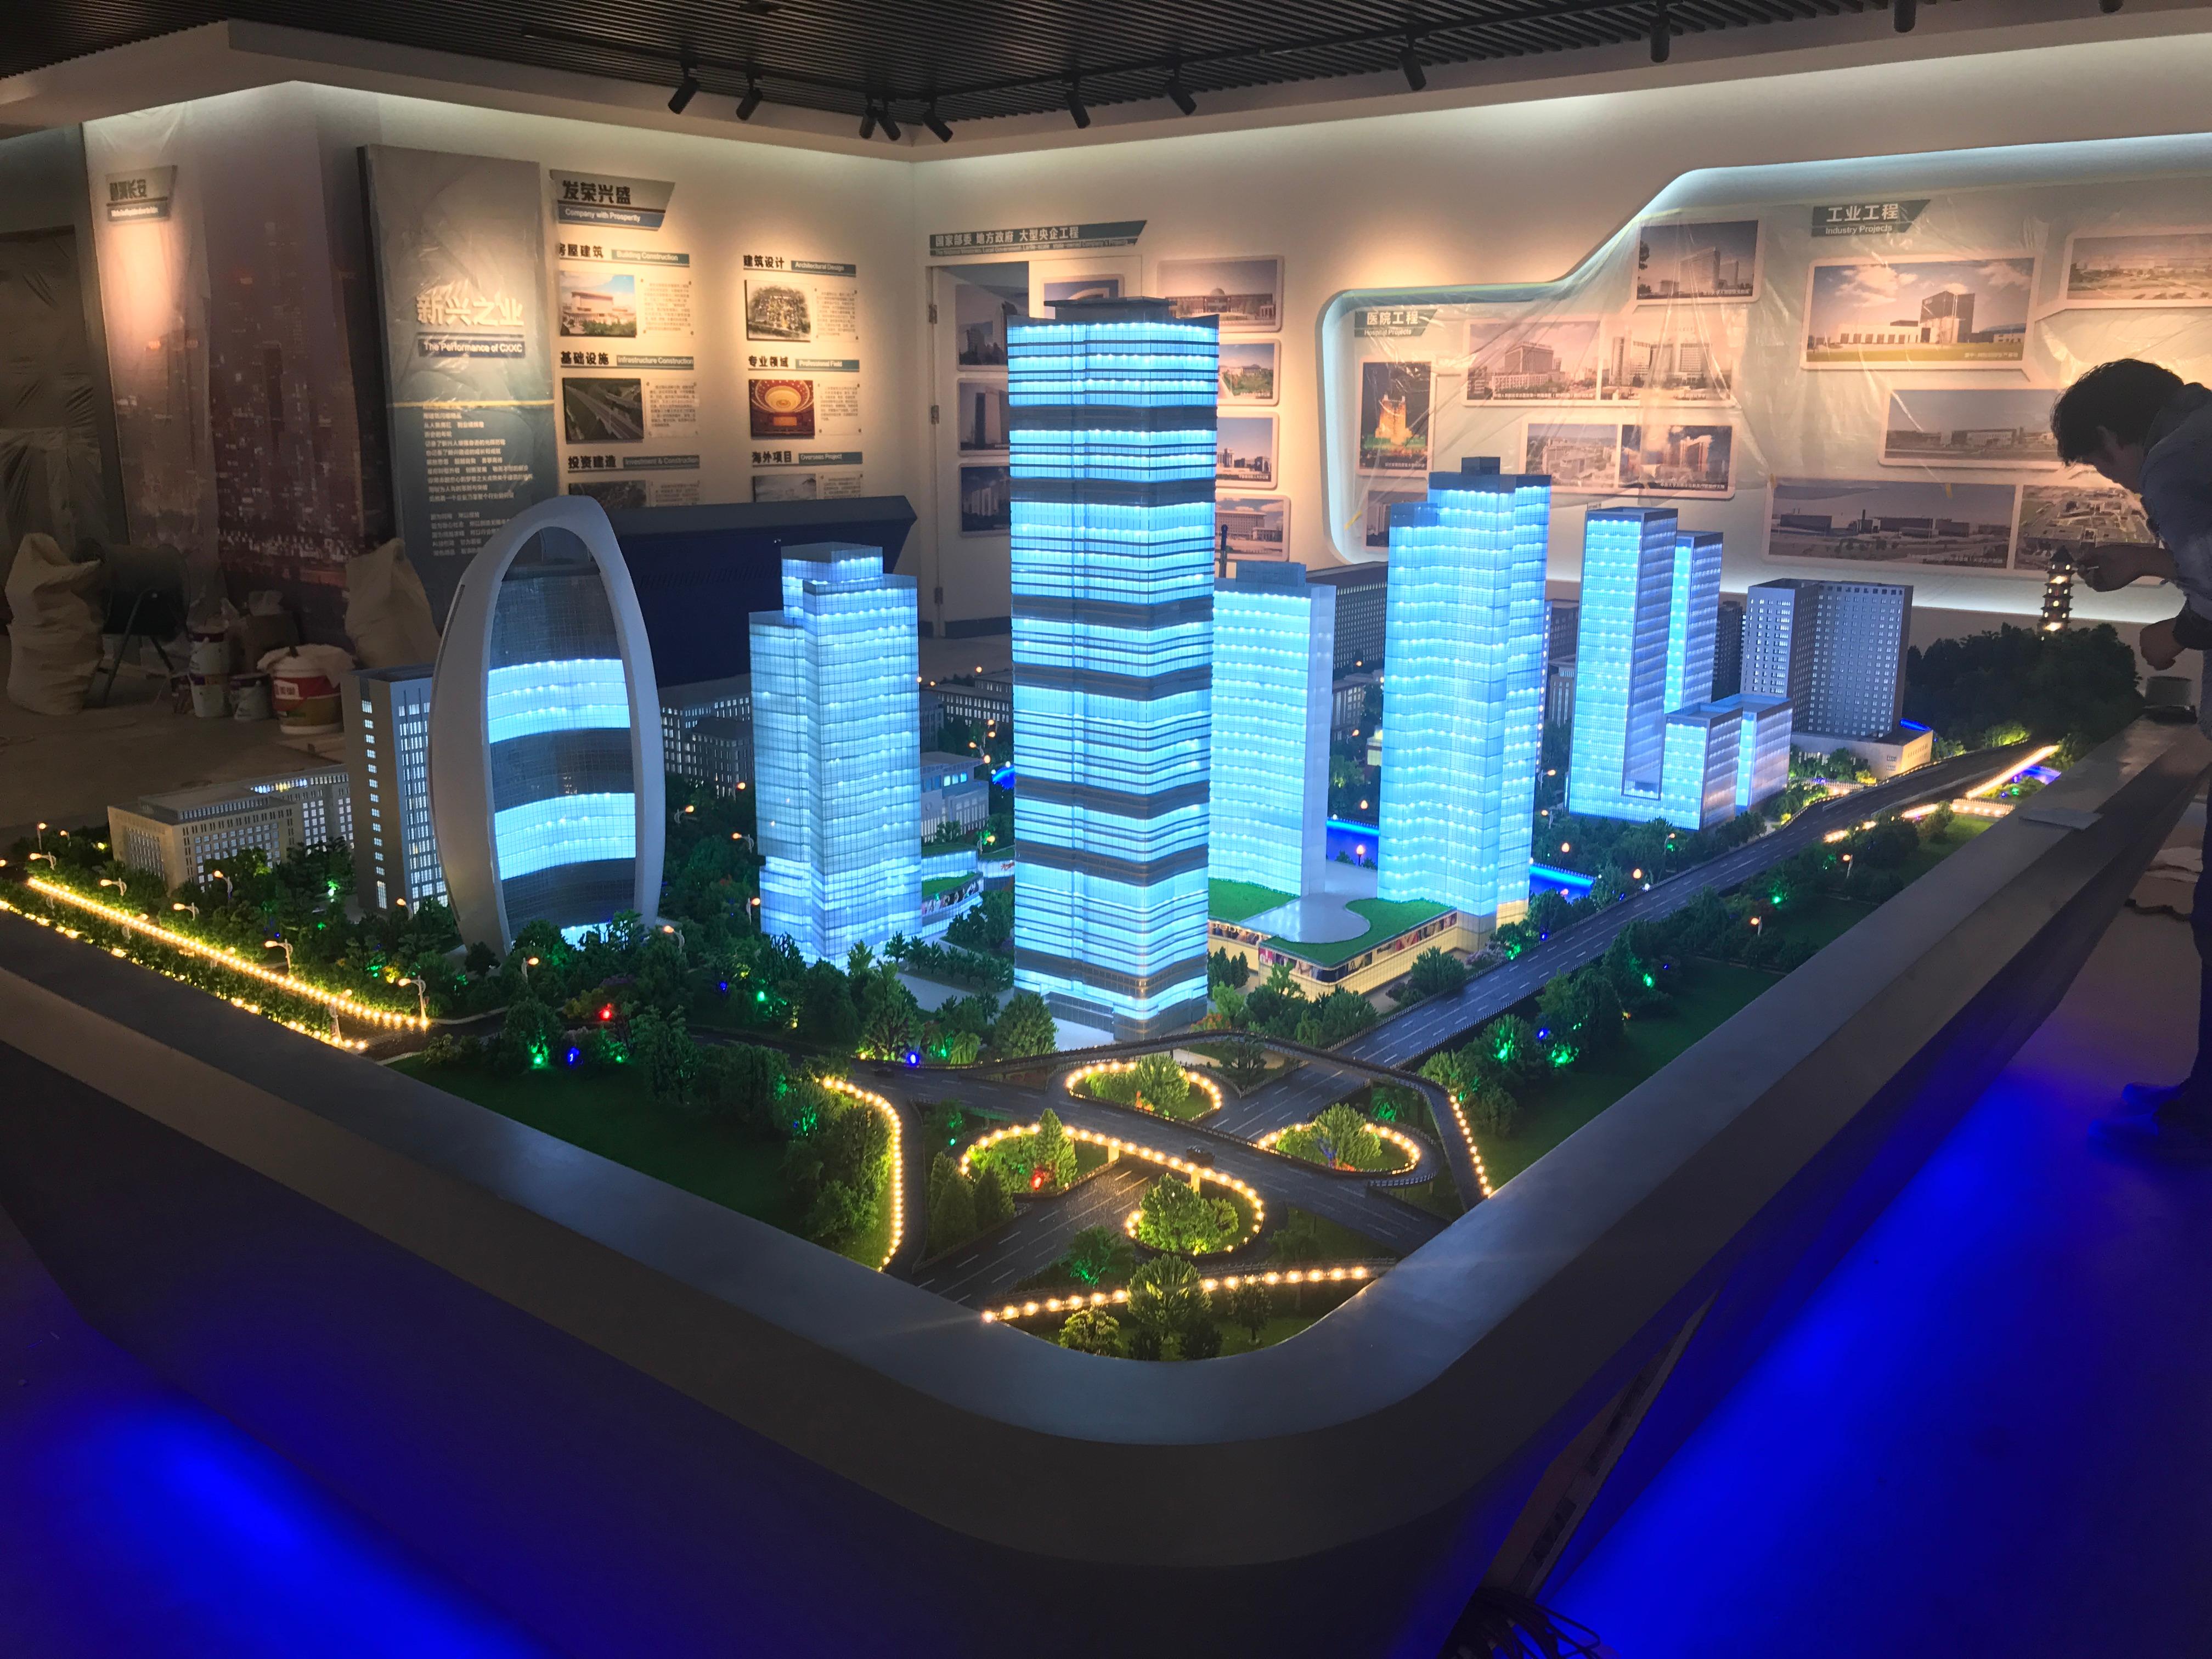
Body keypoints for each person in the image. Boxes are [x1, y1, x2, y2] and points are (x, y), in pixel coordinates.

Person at [2056, 359, 2212, 1156]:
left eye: (2101, 462)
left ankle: (2198, 1125)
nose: (2118, 481)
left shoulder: (2173, 462)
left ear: (2113, 434)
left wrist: (2173, 634)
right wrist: (2149, 562)